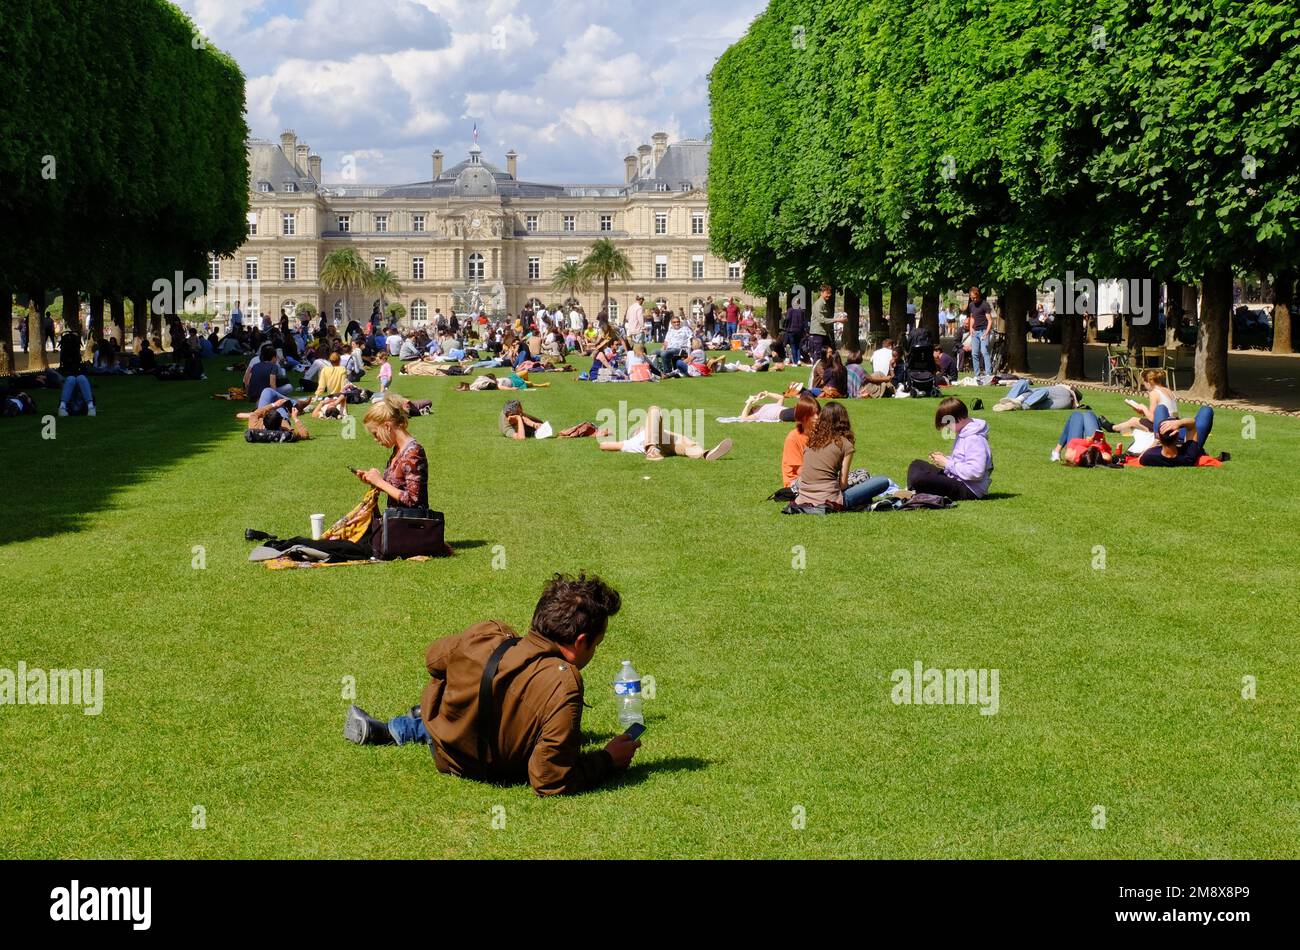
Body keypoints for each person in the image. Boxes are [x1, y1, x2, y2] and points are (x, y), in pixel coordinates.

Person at [343, 573, 641, 795]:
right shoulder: (563, 681)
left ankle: (406, 725)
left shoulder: (487, 636)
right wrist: (607, 759)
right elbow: (550, 779)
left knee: (467, 701)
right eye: (596, 644)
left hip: (446, 749)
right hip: (491, 764)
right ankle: (412, 723)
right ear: (580, 642)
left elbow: (433, 659)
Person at [794, 402, 891, 510]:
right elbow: (843, 484)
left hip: (803, 498)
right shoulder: (845, 444)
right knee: (883, 481)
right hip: (830, 499)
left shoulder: (811, 442)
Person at [352, 394, 428, 513]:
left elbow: (412, 499)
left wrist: (380, 482)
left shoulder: (413, 452)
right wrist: (373, 480)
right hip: (398, 523)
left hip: (411, 527)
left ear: (387, 426)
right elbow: (399, 486)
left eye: (375, 433)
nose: (375, 439)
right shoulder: (398, 449)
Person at [906, 397, 992, 500]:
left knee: (919, 478)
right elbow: (961, 461)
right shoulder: (964, 433)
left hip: (969, 489)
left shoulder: (974, 439)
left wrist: (947, 463)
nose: (946, 428)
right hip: (957, 480)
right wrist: (945, 459)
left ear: (956, 418)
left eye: (947, 424)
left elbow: (976, 473)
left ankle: (912, 492)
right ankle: (911, 491)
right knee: (916, 464)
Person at [598, 405, 732, 461]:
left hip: (669, 443)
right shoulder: (634, 439)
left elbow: (604, 446)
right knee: (654, 409)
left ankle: (706, 454)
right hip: (663, 441)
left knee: (689, 447)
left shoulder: (630, 444)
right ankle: (651, 448)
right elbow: (604, 446)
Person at [1138, 407, 1224, 467]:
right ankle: (1173, 422)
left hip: (1165, 440)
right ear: (1177, 435)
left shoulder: (1149, 457)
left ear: (1159, 436)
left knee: (1161, 408)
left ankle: (1168, 426)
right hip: (1188, 439)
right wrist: (1178, 423)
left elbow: (1140, 458)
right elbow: (1192, 424)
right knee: (1207, 410)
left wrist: (1155, 442)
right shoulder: (1189, 455)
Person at [781, 392, 820, 489]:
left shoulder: (819, 434)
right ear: (802, 417)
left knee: (861, 475)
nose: (817, 417)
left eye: (818, 413)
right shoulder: (793, 438)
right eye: (812, 415)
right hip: (796, 483)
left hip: (818, 477)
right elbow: (800, 471)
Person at [961, 287, 994, 377]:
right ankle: (977, 374)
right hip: (975, 331)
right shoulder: (971, 305)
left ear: (978, 295)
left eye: (975, 297)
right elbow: (972, 317)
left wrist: (986, 333)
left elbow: (990, 320)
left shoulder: (985, 305)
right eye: (972, 298)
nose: (974, 299)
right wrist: (971, 328)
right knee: (974, 353)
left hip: (984, 331)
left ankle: (988, 373)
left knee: (984, 351)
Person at [994, 379, 1081, 411]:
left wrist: (1076, 401)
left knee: (1043, 392)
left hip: (1064, 399)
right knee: (1023, 382)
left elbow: (1072, 390)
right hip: (1034, 395)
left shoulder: (1069, 391)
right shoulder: (1062, 387)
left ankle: (1015, 404)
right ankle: (1010, 401)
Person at [808, 286, 844, 356]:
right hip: (818, 334)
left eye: (830, 293)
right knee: (818, 355)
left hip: (824, 333)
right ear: (821, 293)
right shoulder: (819, 304)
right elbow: (822, 320)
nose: (829, 295)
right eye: (827, 293)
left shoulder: (824, 303)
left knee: (830, 353)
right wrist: (837, 320)